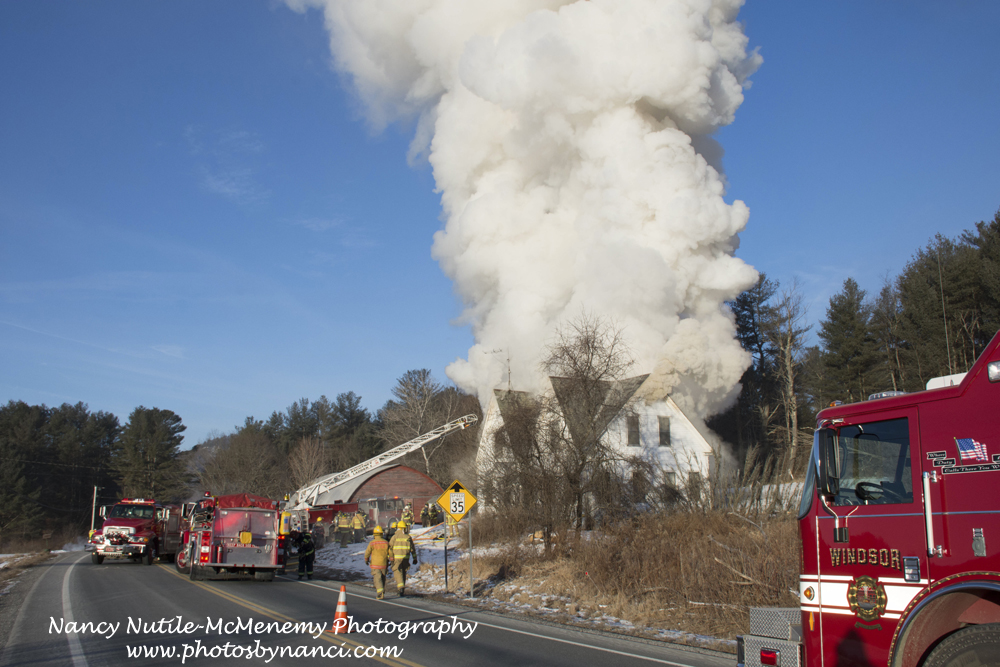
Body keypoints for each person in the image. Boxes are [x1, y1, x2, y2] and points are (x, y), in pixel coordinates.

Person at [364, 525, 393, 600]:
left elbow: (367, 553)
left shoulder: (372, 543)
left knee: (377, 578)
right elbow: (391, 553)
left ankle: (380, 592)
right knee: (383, 578)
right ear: (381, 534)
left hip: (375, 565)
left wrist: (366, 560)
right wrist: (392, 561)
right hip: (384, 564)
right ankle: (382, 592)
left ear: (374, 534)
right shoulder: (386, 543)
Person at [389, 522, 418, 597]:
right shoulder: (408, 537)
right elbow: (413, 549)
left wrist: (391, 559)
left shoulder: (394, 537)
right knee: (404, 572)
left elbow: (390, 548)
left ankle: (400, 588)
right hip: (406, 558)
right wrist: (415, 558)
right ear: (404, 528)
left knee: (398, 572)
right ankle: (402, 590)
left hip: (397, 558)